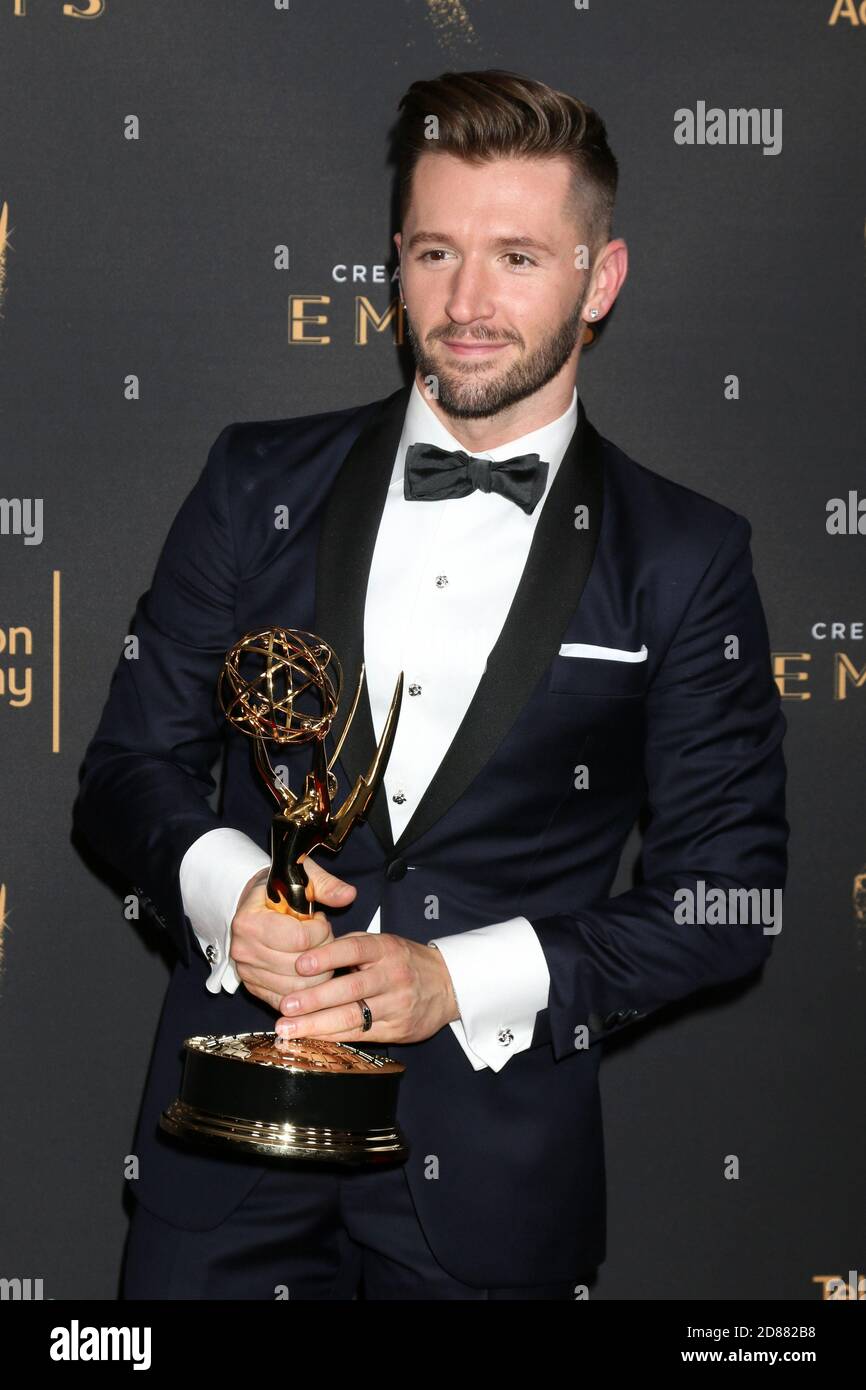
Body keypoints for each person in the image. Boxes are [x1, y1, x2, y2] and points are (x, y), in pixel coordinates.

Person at [72, 68, 788, 1300]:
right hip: (223, 1159)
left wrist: (459, 976)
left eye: (516, 256)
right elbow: (124, 774)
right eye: (432, 253)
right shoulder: (256, 483)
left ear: (597, 277)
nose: (464, 304)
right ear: (392, 267)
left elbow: (726, 897)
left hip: (492, 1193)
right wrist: (232, 890)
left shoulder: (681, 555)